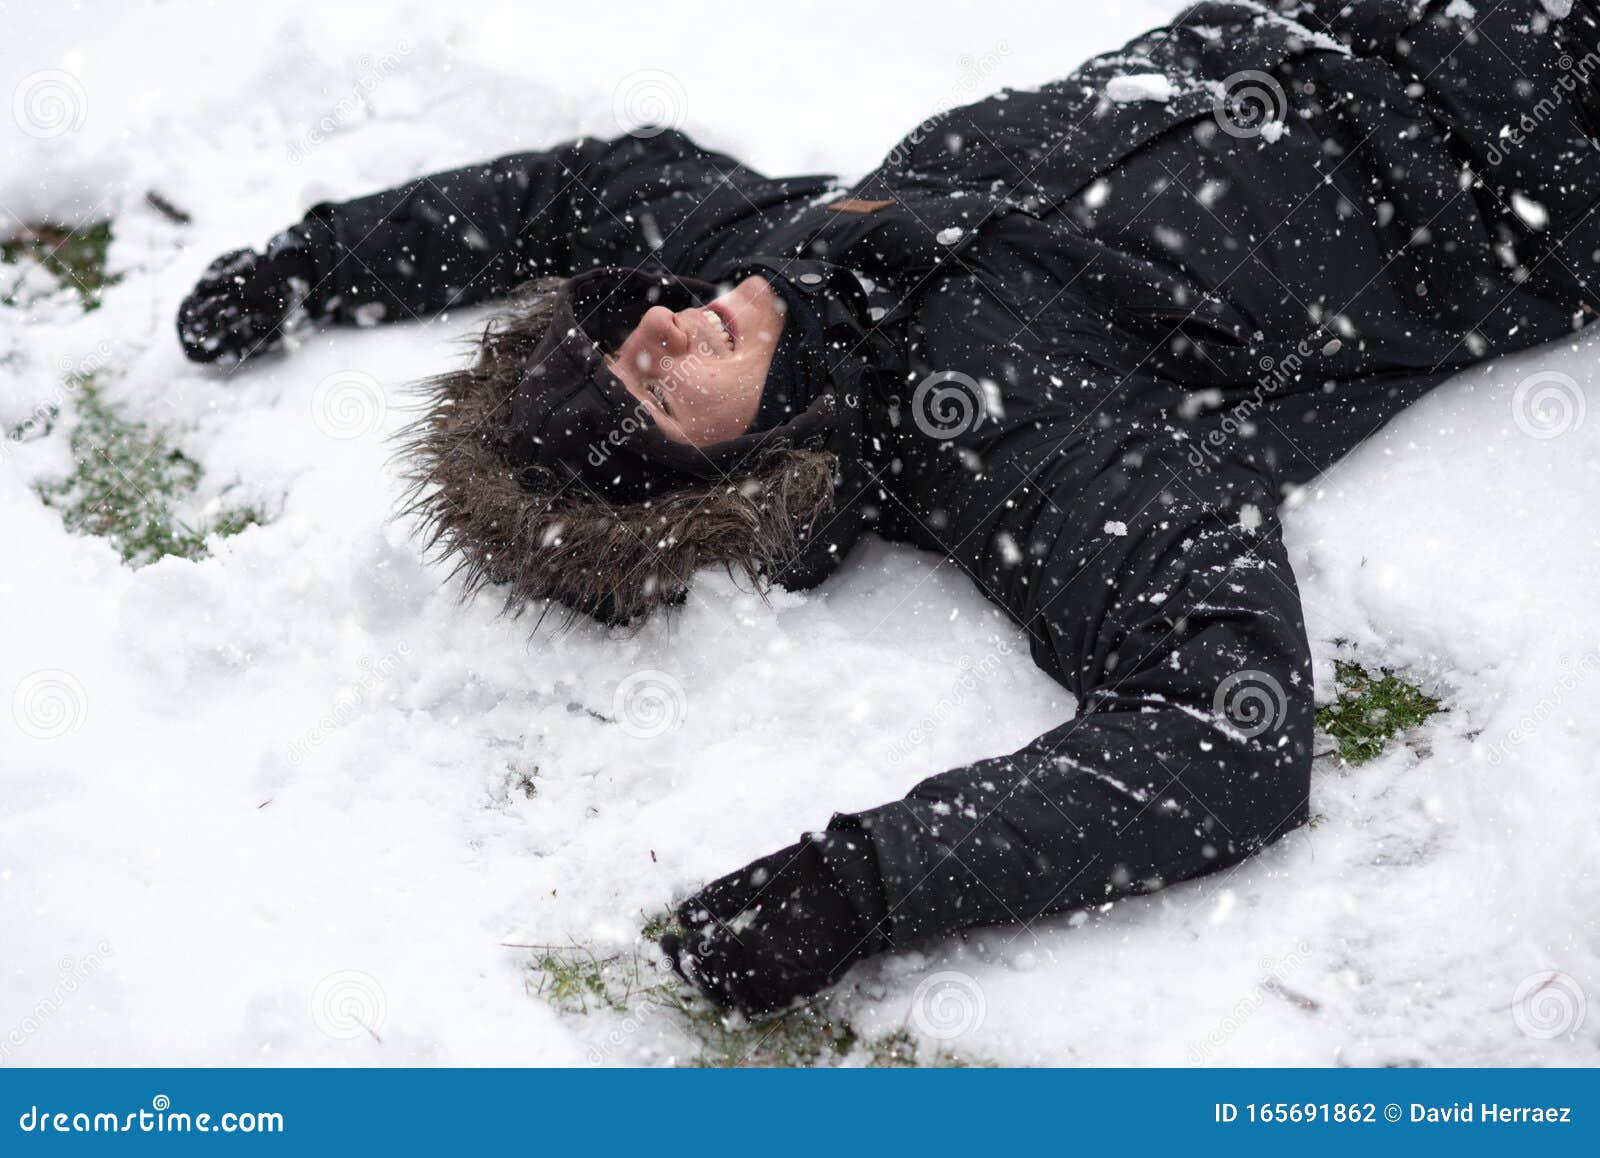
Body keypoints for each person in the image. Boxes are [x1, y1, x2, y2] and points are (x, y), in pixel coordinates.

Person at [177, 0, 1600, 1018]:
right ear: (721, 480)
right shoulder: (997, 431)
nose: (672, 322)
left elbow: (575, 189)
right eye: (659, 384)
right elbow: (1224, 732)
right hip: (1529, 143)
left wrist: (310, 265)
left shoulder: (747, 261)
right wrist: (862, 884)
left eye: (634, 320)